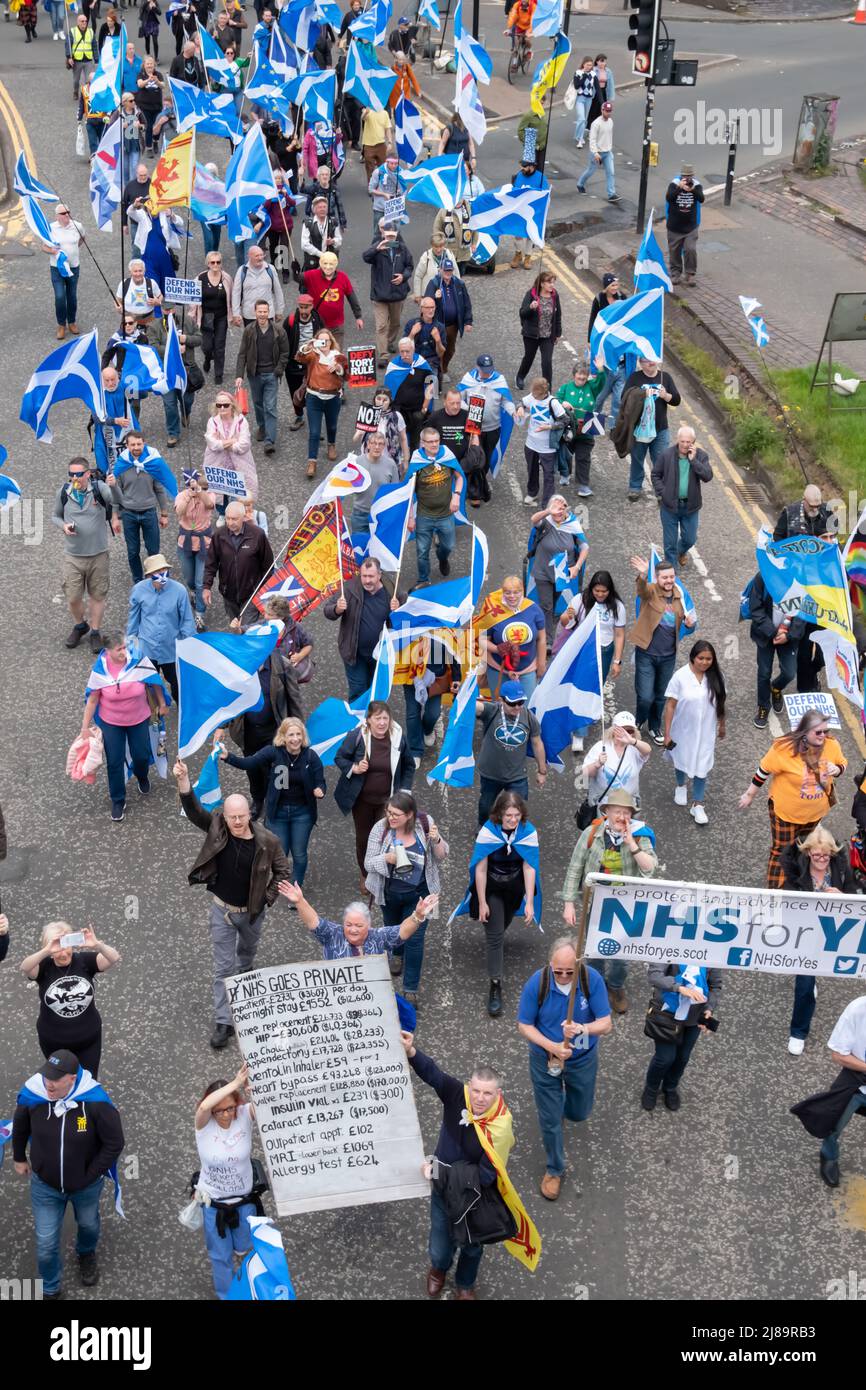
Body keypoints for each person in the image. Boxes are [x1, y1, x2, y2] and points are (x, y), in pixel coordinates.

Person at [174, 758, 291, 1047]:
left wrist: (267, 898)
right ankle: (224, 1021)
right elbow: (194, 811)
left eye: (241, 817)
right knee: (223, 968)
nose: (237, 822)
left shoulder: (268, 841)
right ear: (224, 817)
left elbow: (283, 871)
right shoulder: (217, 827)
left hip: (252, 913)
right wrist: (183, 781)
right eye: (231, 817)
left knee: (246, 955)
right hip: (222, 912)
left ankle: (246, 972)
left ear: (250, 814)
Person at [402, 1033, 517, 1300]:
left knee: (472, 1246)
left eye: (487, 1093)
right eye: (476, 1090)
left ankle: (465, 1283)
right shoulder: (457, 1095)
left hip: (475, 1198)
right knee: (440, 1240)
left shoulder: (500, 1127)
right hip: (443, 1192)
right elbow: (434, 1075)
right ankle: (439, 1269)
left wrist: (438, 1172)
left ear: (497, 1094)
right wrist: (411, 1051)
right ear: (469, 1087)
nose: (480, 1098)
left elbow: (485, 1176)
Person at [12, 1049, 125, 1299]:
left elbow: (114, 1142)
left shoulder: (96, 1102)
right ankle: (50, 1287)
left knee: (88, 1224)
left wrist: (91, 1174)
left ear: (72, 1079)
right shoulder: (35, 1095)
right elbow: (20, 1126)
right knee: (45, 1244)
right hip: (45, 1186)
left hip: (86, 1186)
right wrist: (19, 1157)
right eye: (46, 1076)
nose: (48, 1084)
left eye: (55, 1079)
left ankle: (86, 1252)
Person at [518, 936, 611, 1200]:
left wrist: (582, 1028)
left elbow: (605, 1024)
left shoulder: (591, 980)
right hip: (545, 1060)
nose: (563, 977)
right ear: (550, 964)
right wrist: (553, 1046)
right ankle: (554, 1169)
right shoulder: (538, 982)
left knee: (579, 1113)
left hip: (582, 1059)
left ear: (578, 966)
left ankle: (563, 1110)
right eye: (558, 971)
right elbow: (524, 1025)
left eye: (570, 972)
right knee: (550, 1120)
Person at [562, 788, 658, 1013]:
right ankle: (595, 985)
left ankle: (615, 986)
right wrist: (568, 903)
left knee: (620, 954)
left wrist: (631, 844)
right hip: (595, 901)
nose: (621, 817)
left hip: (625, 905)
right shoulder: (592, 833)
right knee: (594, 947)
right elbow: (576, 866)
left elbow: (650, 868)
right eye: (617, 812)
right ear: (607, 812)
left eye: (626, 812)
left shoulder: (640, 835)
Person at [214, 599, 305, 817]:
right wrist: (221, 726)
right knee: (254, 768)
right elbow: (230, 697)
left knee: (280, 767)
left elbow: (295, 700)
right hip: (249, 732)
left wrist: (300, 730)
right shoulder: (241, 667)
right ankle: (258, 800)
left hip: (276, 730)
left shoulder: (282, 665)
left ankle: (282, 801)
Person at [738, 711, 847, 889]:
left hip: (814, 814)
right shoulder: (784, 749)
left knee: (801, 847)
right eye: (818, 732)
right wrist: (749, 795)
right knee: (781, 851)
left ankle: (796, 883)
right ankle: (775, 892)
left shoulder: (832, 745)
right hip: (785, 814)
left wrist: (837, 769)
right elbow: (763, 771)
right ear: (805, 731)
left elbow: (842, 763)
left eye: (826, 731)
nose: (824, 736)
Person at [781, 827, 859, 1057]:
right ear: (808, 853)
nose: (822, 859)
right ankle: (798, 1032)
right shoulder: (798, 871)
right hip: (805, 931)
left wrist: (842, 897)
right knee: (804, 983)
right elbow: (787, 900)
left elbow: (856, 896)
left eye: (827, 855)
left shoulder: (841, 869)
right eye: (817, 855)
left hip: (833, 930)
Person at [364, 792, 448, 1004]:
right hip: (390, 894)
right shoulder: (380, 828)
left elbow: (442, 855)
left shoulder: (425, 823)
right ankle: (397, 955)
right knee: (394, 931)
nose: (390, 817)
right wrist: (387, 858)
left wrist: (437, 839)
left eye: (396, 814)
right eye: (388, 812)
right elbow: (368, 863)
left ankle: (410, 989)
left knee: (415, 940)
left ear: (410, 815)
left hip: (420, 894)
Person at [222, 717, 324, 888]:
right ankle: (281, 883)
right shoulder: (273, 752)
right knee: (280, 854)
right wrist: (228, 757)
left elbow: (320, 780)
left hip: (302, 814)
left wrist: (320, 790)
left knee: (299, 854)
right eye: (291, 735)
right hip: (278, 813)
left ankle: (296, 887)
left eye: (299, 734)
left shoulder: (310, 756)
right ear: (283, 737)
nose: (295, 739)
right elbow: (249, 763)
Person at [463, 790, 539, 1017]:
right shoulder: (488, 832)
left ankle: (494, 936)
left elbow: (529, 866)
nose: (513, 820)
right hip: (492, 886)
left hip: (514, 886)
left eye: (517, 815)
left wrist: (529, 902)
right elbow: (481, 868)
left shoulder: (528, 832)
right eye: (508, 816)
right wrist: (482, 901)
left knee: (503, 922)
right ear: (499, 815)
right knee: (495, 934)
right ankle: (495, 985)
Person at [80, 631, 168, 822]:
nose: (124, 652)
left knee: (141, 755)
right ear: (107, 651)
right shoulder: (100, 670)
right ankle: (118, 800)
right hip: (111, 723)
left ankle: (142, 775)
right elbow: (93, 700)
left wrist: (162, 703)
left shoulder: (138, 660)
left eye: (125, 647)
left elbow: (154, 682)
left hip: (139, 718)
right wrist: (84, 728)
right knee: (114, 762)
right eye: (119, 649)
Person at [194, 1065, 263, 1300]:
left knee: (245, 1251)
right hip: (214, 1205)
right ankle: (229, 1296)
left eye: (230, 1108)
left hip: (244, 1202)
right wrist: (235, 1084)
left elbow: (270, 1105)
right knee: (221, 1258)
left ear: (237, 1105)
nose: (225, 1115)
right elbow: (204, 1107)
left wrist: (255, 1090)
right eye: (219, 1110)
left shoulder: (244, 1114)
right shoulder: (204, 1124)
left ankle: (249, 1286)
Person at [20, 924, 121, 1079]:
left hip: (88, 1040)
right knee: (60, 1082)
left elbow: (113, 958)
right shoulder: (43, 967)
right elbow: (25, 967)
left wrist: (98, 945)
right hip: (53, 1043)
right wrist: (46, 951)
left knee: (86, 1081)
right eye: (57, 949)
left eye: (66, 946)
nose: (63, 953)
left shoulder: (84, 961)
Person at [334, 701, 415, 885]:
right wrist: (354, 768)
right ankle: (365, 874)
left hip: (387, 802)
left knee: (384, 837)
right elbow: (340, 757)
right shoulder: (357, 736)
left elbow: (409, 765)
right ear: (368, 720)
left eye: (385, 718)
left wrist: (404, 791)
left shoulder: (398, 738)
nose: (382, 723)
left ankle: (380, 873)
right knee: (364, 838)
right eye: (377, 718)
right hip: (361, 800)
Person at [791, 993, 866, 1188]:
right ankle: (829, 1155)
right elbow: (839, 1055)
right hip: (858, 1082)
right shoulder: (857, 1010)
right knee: (833, 1123)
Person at [629, 552, 697, 744]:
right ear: (657, 578)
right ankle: (639, 720)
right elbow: (641, 590)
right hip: (646, 654)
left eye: (671, 577)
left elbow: (690, 622)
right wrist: (643, 575)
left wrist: (690, 624)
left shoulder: (680, 597)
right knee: (645, 696)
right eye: (664, 577)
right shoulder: (650, 592)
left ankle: (654, 726)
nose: (669, 581)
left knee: (660, 696)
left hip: (668, 656)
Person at [52, 458, 115, 655]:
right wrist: (63, 526)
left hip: (98, 554)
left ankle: (95, 631)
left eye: (78, 474)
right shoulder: (64, 492)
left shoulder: (99, 489)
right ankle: (80, 626)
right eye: (71, 474)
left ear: (88, 474)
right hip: (73, 556)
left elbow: (117, 500)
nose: (74, 478)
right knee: (73, 597)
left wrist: (114, 486)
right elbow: (55, 516)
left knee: (97, 595)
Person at [641, 960, 721, 1111]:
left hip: (694, 1017)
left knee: (682, 1057)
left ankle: (670, 1087)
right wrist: (679, 988)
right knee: (664, 1058)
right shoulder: (672, 947)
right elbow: (654, 975)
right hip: (667, 1013)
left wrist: (709, 1008)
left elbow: (715, 986)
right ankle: (651, 1088)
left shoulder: (712, 954)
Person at [662, 639, 726, 826]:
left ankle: (698, 804)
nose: (705, 662)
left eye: (709, 659)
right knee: (681, 758)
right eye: (701, 658)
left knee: (702, 766)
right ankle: (680, 785)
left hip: (706, 732)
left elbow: (721, 702)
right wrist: (667, 734)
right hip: (683, 729)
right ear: (693, 657)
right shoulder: (680, 676)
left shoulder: (717, 677)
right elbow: (671, 705)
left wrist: (722, 725)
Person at [324, 557, 402, 701]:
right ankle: (357, 715)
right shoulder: (349, 589)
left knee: (375, 692)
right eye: (364, 576)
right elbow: (328, 611)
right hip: (355, 654)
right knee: (358, 691)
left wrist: (399, 609)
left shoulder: (392, 590)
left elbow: (408, 614)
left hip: (380, 655)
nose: (367, 580)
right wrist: (337, 609)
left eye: (371, 576)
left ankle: (373, 715)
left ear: (379, 575)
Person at [127, 552, 195, 703]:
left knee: (178, 684)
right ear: (149, 575)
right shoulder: (138, 590)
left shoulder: (179, 590)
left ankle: (183, 710)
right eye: (157, 571)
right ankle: (153, 713)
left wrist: (190, 646)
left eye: (164, 569)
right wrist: (130, 646)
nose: (162, 574)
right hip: (147, 648)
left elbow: (187, 621)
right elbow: (133, 620)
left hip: (171, 649)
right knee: (148, 686)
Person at [476, 681, 546, 825]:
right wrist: (462, 694)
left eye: (521, 702)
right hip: (490, 774)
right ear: (501, 700)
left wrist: (542, 771)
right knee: (486, 807)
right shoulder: (492, 710)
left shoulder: (528, 716)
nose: (517, 707)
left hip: (517, 776)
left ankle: (516, 834)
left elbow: (537, 743)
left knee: (518, 810)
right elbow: (475, 707)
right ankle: (483, 830)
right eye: (512, 703)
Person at [747, 569, 808, 730]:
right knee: (764, 673)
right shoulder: (763, 576)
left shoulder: (801, 578)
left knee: (789, 673)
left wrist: (789, 635)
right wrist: (773, 632)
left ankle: (776, 688)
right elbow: (755, 608)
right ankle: (763, 706)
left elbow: (804, 612)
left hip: (788, 638)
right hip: (765, 634)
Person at [557, 569, 627, 708]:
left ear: (610, 590)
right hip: (582, 648)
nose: (600, 594)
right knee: (578, 679)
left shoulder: (618, 606)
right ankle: (575, 707)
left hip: (604, 649)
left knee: (597, 683)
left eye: (604, 591)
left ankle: (590, 709)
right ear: (591, 589)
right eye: (597, 591)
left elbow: (620, 634)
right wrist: (568, 616)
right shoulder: (580, 599)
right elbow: (564, 623)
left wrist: (617, 661)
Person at [108, 432, 171, 583]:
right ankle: (138, 581)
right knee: (132, 551)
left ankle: (155, 579)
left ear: (144, 444)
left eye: (139, 444)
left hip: (149, 512)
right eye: (133, 444)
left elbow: (160, 490)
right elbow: (116, 493)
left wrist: (164, 514)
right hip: (129, 514)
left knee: (153, 550)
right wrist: (115, 517)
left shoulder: (152, 464)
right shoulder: (121, 466)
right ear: (127, 446)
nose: (136, 447)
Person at [406, 425, 464, 586]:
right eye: (430, 442)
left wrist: (457, 495)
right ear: (423, 443)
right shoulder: (417, 462)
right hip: (424, 515)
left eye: (436, 441)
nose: (434, 444)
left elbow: (459, 477)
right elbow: (408, 492)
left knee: (449, 546)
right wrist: (410, 517)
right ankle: (423, 579)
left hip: (446, 514)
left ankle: (442, 558)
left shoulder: (447, 456)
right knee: (422, 552)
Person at [203, 499, 274, 625]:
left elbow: (268, 565)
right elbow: (211, 564)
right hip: (228, 595)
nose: (230, 522)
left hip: (252, 594)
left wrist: (263, 590)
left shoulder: (257, 535)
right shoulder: (219, 535)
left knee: (246, 629)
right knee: (235, 626)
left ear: (243, 517)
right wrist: (206, 587)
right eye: (228, 518)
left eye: (234, 519)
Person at [652, 425, 713, 569]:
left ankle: (680, 552)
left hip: (690, 507)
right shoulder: (666, 455)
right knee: (669, 543)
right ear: (677, 440)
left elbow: (707, 476)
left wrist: (694, 461)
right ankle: (671, 573)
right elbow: (655, 475)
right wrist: (664, 493)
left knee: (690, 539)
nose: (685, 445)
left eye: (688, 442)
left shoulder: (701, 456)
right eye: (682, 441)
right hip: (669, 507)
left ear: (693, 442)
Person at [527, 495, 588, 639]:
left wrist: (577, 566)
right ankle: (547, 639)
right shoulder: (546, 522)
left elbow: (584, 547)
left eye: (561, 509)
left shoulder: (573, 524)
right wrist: (549, 511)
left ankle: (544, 625)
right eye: (555, 509)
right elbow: (534, 520)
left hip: (562, 573)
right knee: (546, 605)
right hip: (542, 570)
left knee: (553, 602)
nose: (558, 513)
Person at [622, 355, 681, 502]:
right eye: (646, 360)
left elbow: (676, 400)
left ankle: (661, 491)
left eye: (652, 359)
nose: (650, 362)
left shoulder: (665, 377)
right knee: (637, 459)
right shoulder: (634, 378)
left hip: (660, 429)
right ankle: (635, 487)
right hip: (640, 428)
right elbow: (624, 398)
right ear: (640, 363)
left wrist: (665, 395)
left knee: (661, 461)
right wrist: (641, 395)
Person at [234, 300, 289, 456]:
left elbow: (285, 353)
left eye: (265, 311)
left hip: (272, 375)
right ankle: (262, 426)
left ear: (269, 312)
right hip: (255, 375)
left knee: (270, 407)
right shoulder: (249, 330)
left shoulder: (279, 330)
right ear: (255, 312)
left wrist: (278, 370)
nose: (263, 314)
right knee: (258, 403)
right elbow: (242, 354)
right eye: (260, 311)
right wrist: (239, 375)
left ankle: (269, 441)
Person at [479, 574, 547, 701]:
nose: (512, 596)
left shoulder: (533, 609)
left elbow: (542, 638)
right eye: (508, 592)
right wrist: (497, 649)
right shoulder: (492, 611)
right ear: (502, 592)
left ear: (523, 591)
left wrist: (541, 664)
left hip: (527, 669)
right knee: (500, 705)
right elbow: (482, 640)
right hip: (498, 668)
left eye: (516, 592)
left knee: (526, 706)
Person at [295, 326, 348, 479]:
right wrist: (307, 346)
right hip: (314, 398)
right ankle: (312, 461)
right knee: (314, 432)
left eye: (326, 341)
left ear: (331, 342)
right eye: (321, 341)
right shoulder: (313, 355)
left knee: (332, 425)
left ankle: (331, 444)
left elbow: (347, 375)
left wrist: (338, 368)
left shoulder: (338, 356)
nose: (324, 344)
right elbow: (299, 358)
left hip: (333, 398)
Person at [363, 220, 415, 368]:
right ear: (383, 233)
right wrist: (376, 249)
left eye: (393, 235)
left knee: (395, 323)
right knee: (381, 326)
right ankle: (383, 354)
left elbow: (410, 266)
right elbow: (365, 257)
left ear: (396, 234)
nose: (390, 238)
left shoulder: (402, 248)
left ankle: (389, 342)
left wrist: (403, 276)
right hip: (380, 295)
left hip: (397, 294)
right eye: (388, 235)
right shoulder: (377, 246)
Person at [554, 355, 607, 496]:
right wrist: (562, 403)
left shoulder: (592, 387)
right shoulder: (565, 388)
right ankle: (565, 474)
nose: (582, 379)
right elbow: (554, 401)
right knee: (566, 453)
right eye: (579, 377)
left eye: (584, 377)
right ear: (574, 375)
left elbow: (602, 382)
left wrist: (601, 369)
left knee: (583, 457)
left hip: (587, 427)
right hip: (568, 428)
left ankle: (583, 485)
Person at [581, 712, 651, 814]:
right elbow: (585, 773)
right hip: (603, 804)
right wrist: (597, 764)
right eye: (621, 730)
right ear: (613, 729)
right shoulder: (600, 746)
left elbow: (648, 750)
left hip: (627, 805)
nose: (625, 734)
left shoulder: (635, 748)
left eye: (630, 731)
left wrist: (632, 741)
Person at [174, 469, 215, 630]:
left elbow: (210, 504)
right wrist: (189, 496)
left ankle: (199, 615)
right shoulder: (182, 496)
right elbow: (179, 512)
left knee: (200, 582)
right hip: (185, 542)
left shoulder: (208, 495)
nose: (203, 489)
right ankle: (192, 591)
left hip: (204, 544)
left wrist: (199, 491)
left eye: (205, 487)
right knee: (189, 579)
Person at [300, 251, 364, 352]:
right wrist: (295, 269)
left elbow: (352, 297)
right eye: (325, 264)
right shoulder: (312, 275)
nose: (328, 267)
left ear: (336, 264)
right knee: (318, 353)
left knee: (336, 354)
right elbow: (298, 278)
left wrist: (358, 316)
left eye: (331, 264)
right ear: (321, 263)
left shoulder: (343, 277)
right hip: (318, 325)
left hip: (336, 326)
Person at [518, 381, 568, 511]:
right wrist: (520, 407)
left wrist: (549, 427)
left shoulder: (553, 403)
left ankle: (547, 504)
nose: (533, 397)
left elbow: (565, 420)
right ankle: (532, 493)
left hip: (547, 447)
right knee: (531, 469)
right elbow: (521, 402)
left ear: (544, 393)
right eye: (533, 394)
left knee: (548, 475)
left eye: (536, 395)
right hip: (531, 443)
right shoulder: (532, 396)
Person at [39, 205, 84, 341]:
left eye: (68, 212)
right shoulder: (50, 228)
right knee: (60, 296)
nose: (67, 215)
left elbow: (82, 239)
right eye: (63, 213)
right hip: (57, 268)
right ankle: (61, 325)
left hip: (73, 267)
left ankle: (72, 322)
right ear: (57, 216)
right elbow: (43, 247)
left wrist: (72, 250)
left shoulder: (77, 226)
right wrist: (53, 251)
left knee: (72, 296)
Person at [204, 391, 257, 503]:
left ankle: (234, 510)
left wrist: (221, 443)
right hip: (217, 463)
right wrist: (233, 440)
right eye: (219, 405)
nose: (222, 408)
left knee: (238, 497)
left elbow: (244, 445)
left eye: (226, 405)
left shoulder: (241, 421)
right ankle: (223, 511)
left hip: (239, 465)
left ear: (232, 405)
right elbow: (212, 444)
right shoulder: (212, 421)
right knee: (219, 495)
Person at [423, 257, 473, 379]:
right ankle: (438, 372)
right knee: (438, 350)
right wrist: (435, 298)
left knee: (450, 350)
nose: (448, 272)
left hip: (452, 325)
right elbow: (426, 304)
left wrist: (468, 321)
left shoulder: (459, 284)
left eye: (450, 270)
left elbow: (466, 303)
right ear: (440, 270)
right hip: (437, 324)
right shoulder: (434, 283)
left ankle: (443, 368)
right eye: (446, 270)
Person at [387, 338, 436, 452]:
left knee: (416, 440)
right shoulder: (393, 366)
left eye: (407, 351)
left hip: (417, 410)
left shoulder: (421, 364)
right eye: (402, 351)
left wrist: (424, 408)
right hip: (399, 410)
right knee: (399, 439)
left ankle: (413, 458)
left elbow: (431, 385)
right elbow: (388, 388)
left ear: (413, 350)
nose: (404, 355)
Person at [284, 293, 323, 433]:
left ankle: (315, 424)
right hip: (294, 363)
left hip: (312, 363)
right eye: (301, 307)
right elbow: (283, 340)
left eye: (306, 307)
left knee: (314, 392)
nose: (304, 310)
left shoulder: (317, 320)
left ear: (312, 306)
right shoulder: (290, 320)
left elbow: (324, 339)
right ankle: (299, 416)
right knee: (295, 391)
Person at [516, 271, 561, 391]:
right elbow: (522, 313)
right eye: (549, 282)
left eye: (553, 282)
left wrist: (558, 333)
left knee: (547, 362)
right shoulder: (531, 294)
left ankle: (548, 389)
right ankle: (520, 376)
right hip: (531, 335)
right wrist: (531, 307)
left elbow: (558, 315)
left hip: (548, 336)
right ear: (541, 284)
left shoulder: (555, 295)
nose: (552, 285)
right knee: (529, 357)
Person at [349, 433, 400, 535]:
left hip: (380, 514)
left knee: (377, 545)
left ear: (384, 446)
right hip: (360, 513)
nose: (377, 447)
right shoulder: (357, 462)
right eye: (374, 443)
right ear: (368, 444)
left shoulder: (391, 464)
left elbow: (395, 492)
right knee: (359, 543)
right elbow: (346, 485)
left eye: (380, 444)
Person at [195, 252, 233, 386]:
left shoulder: (226, 278)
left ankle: (218, 373)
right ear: (208, 264)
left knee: (219, 345)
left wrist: (234, 314)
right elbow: (193, 299)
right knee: (207, 346)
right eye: (213, 262)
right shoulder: (200, 278)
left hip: (222, 316)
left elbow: (232, 297)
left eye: (218, 262)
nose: (216, 264)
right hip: (206, 316)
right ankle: (207, 357)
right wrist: (192, 315)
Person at [353, 385, 409, 472]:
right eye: (378, 399)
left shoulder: (397, 416)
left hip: (389, 460)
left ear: (390, 401)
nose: (381, 402)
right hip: (369, 460)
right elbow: (355, 439)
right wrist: (359, 433)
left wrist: (406, 460)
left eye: (385, 400)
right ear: (374, 399)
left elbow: (403, 438)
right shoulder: (367, 415)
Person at [665, 164, 704, 288]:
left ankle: (690, 273)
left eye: (689, 176)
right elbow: (669, 198)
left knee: (690, 249)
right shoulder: (674, 184)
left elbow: (701, 199)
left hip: (690, 227)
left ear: (693, 176)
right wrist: (679, 188)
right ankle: (675, 273)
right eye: (685, 176)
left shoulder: (696, 185)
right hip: (674, 226)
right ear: (681, 176)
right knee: (674, 251)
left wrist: (692, 190)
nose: (687, 179)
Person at [231, 246, 284, 329]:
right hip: (249, 315)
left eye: (261, 255)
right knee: (251, 337)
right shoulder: (242, 271)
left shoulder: (270, 269)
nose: (260, 258)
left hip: (267, 314)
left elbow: (278, 291)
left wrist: (279, 310)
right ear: (249, 256)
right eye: (257, 256)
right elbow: (236, 293)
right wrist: (236, 314)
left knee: (267, 337)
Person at [576, 103, 617, 202]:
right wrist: (595, 153)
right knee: (590, 171)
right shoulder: (596, 124)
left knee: (611, 172)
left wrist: (609, 149)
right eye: (606, 111)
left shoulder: (611, 122)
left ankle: (611, 194)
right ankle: (580, 184)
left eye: (610, 111)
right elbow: (592, 140)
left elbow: (609, 137)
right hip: (597, 153)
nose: (608, 113)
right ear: (602, 110)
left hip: (607, 152)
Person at [405, 297, 447, 384]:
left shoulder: (440, 327)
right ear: (421, 309)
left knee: (431, 387)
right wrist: (412, 334)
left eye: (432, 307)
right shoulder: (412, 324)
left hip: (431, 364)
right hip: (414, 362)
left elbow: (441, 354)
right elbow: (404, 348)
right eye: (427, 307)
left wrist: (438, 341)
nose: (431, 310)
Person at [412, 232, 461, 305]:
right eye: (436, 246)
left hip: (447, 293)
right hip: (429, 294)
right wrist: (417, 295)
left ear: (444, 245)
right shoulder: (426, 256)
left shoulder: (449, 254)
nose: (438, 250)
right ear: (432, 245)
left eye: (441, 246)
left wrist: (458, 290)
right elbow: (418, 276)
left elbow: (456, 273)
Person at [367, 151, 405, 238]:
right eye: (391, 163)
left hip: (394, 207)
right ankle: (378, 246)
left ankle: (394, 246)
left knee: (396, 233)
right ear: (387, 162)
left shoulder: (400, 173)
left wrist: (399, 192)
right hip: (380, 207)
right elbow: (370, 189)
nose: (394, 166)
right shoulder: (379, 172)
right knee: (378, 233)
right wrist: (384, 194)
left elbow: (403, 189)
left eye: (396, 164)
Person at [301, 194, 343, 271]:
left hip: (329, 263)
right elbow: (304, 245)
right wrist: (321, 254)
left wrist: (333, 241)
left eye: (324, 207)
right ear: (314, 210)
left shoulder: (334, 222)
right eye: (319, 207)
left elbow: (339, 240)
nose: (322, 209)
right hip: (312, 262)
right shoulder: (308, 223)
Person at [135, 54, 166, 155]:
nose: (149, 65)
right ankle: (149, 147)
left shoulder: (158, 74)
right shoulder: (141, 74)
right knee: (148, 126)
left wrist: (157, 81)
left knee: (157, 124)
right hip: (145, 106)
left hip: (157, 105)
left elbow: (163, 86)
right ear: (144, 65)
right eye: (147, 64)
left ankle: (155, 141)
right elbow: (140, 84)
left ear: (154, 65)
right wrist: (148, 79)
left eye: (151, 64)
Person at [116, 256, 163, 323]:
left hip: (148, 319)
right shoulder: (124, 283)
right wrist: (118, 307)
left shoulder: (152, 283)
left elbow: (160, 296)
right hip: (129, 320)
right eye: (135, 271)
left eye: (140, 271)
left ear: (144, 271)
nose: (138, 274)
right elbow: (118, 300)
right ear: (130, 272)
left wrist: (158, 302)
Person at [361, 104, 393, 182]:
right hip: (368, 145)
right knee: (370, 169)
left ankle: (382, 185)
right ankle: (371, 186)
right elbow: (363, 118)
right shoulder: (367, 111)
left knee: (383, 168)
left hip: (381, 145)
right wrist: (366, 112)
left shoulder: (385, 113)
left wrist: (390, 142)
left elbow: (387, 129)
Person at [68, 13, 96, 98]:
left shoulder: (90, 31)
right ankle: (75, 91)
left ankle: (86, 96)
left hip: (88, 59)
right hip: (77, 60)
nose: (84, 23)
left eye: (85, 21)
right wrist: (69, 57)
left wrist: (96, 59)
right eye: (82, 21)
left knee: (88, 79)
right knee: (76, 80)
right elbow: (68, 45)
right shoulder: (73, 31)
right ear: (78, 22)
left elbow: (94, 45)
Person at [586, 53, 615, 127]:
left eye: (604, 61)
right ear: (597, 61)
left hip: (604, 92)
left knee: (602, 109)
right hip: (595, 92)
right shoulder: (594, 70)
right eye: (601, 61)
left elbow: (611, 84)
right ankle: (590, 126)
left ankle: (600, 125)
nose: (603, 63)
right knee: (593, 110)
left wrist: (611, 97)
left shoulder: (608, 71)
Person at [572, 56, 596, 147]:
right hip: (580, 98)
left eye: (591, 65)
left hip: (589, 99)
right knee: (581, 118)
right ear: (583, 64)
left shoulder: (593, 74)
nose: (589, 67)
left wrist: (602, 101)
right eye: (587, 65)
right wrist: (584, 76)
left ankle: (579, 136)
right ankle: (579, 138)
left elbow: (597, 88)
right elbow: (576, 86)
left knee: (584, 119)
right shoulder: (578, 73)